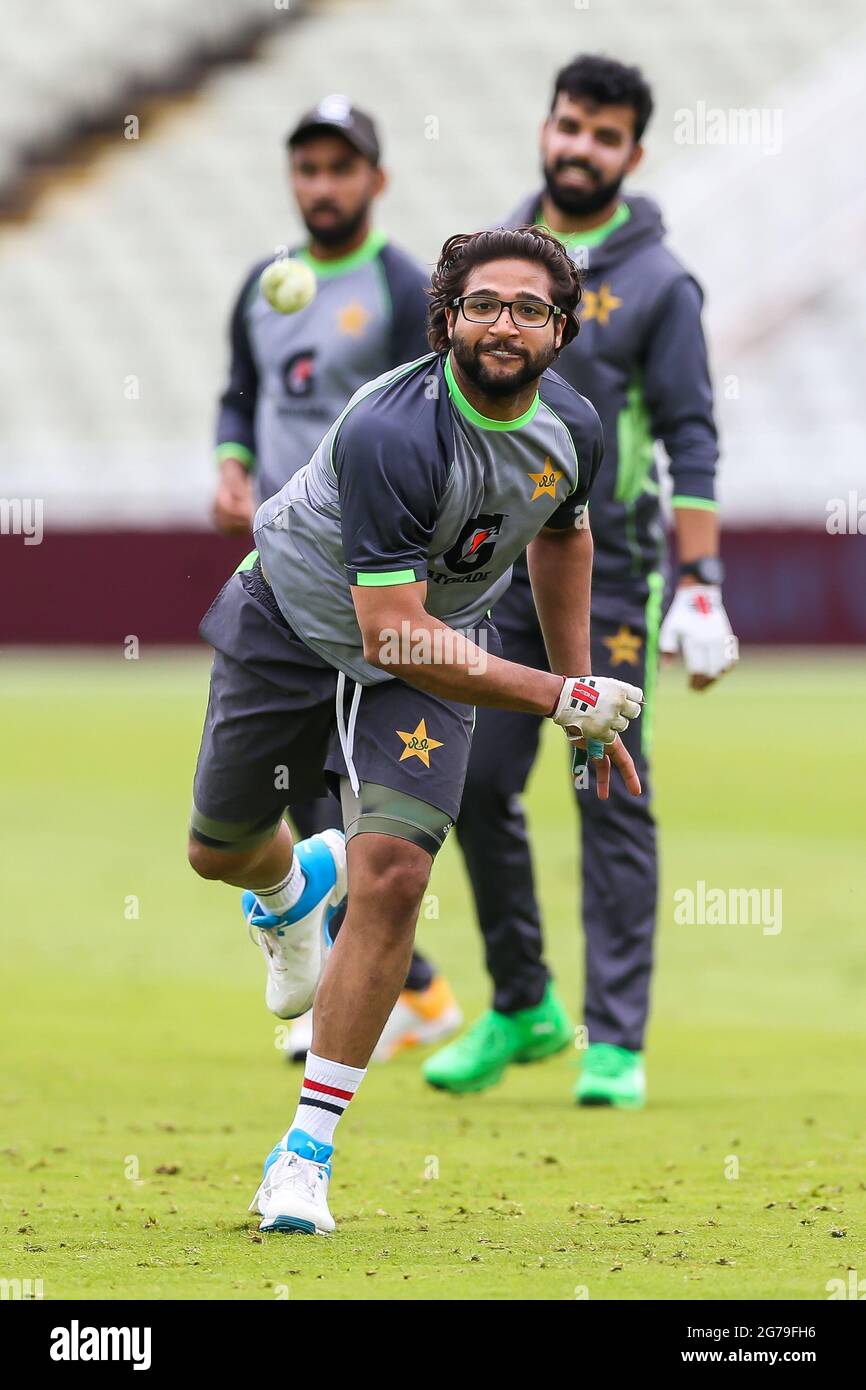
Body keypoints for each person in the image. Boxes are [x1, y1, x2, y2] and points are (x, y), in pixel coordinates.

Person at [188, 226, 644, 1234]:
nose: (503, 324)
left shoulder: (573, 427)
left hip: (438, 645)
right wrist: (555, 697)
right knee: (213, 849)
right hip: (296, 623)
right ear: (445, 318)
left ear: (561, 331)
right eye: (481, 303)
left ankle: (302, 1156)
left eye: (529, 308)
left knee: (392, 873)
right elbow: (388, 633)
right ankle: (284, 883)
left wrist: (573, 679)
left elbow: (564, 535)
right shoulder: (392, 428)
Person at [424, 56, 736, 1108]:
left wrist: (699, 581)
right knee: (469, 783)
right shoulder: (494, 261)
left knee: (601, 780)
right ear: (546, 127)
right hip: (485, 565)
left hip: (607, 573)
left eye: (604, 137)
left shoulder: (659, 284)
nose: (578, 147)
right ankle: (523, 1000)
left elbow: (690, 436)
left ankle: (616, 1039)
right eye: (569, 125)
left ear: (631, 155)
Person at [212, 94, 457, 1059]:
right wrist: (231, 460)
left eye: (340, 168)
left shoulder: (400, 286)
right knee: (310, 791)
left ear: (376, 179)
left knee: (341, 791)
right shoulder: (262, 283)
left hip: (371, 566)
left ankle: (378, 994)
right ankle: (408, 991)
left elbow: (424, 418)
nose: (322, 185)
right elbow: (239, 392)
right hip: (281, 566)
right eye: (307, 168)